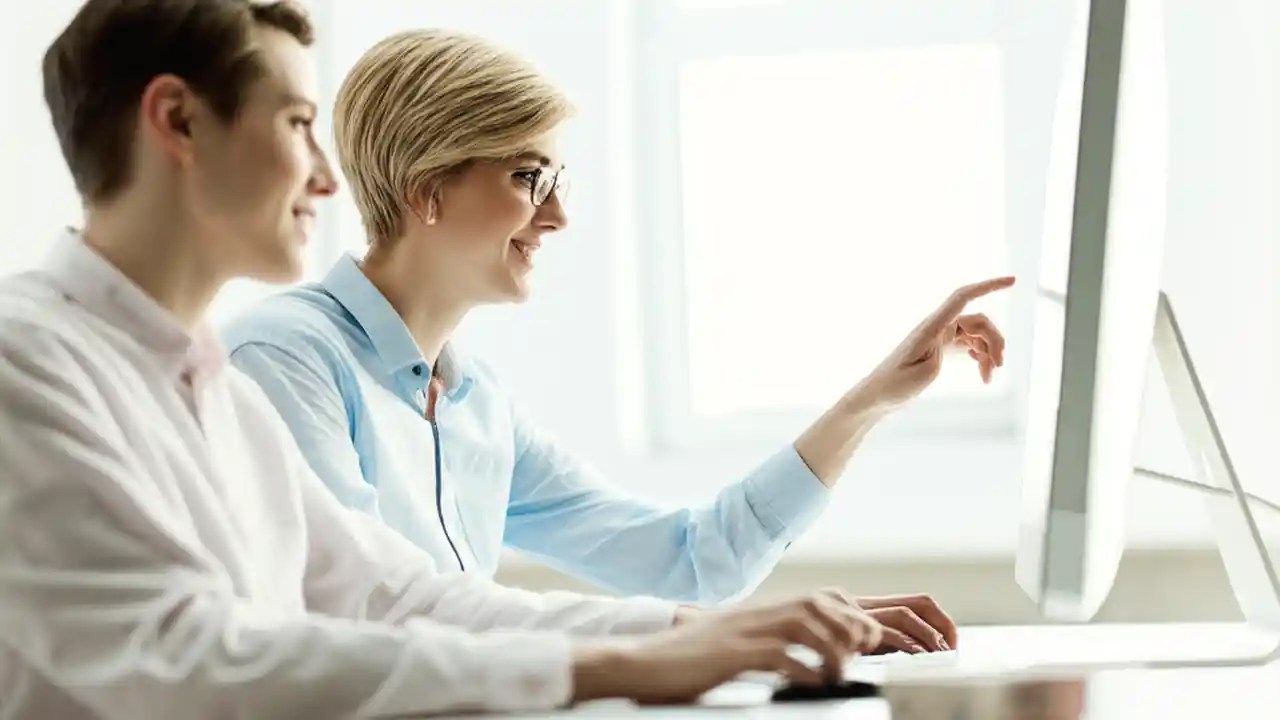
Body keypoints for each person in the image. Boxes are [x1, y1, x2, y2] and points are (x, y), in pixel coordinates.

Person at [0, 2, 904, 716]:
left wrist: (700, 637)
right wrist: (629, 663)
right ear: (179, 121)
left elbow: (396, 598)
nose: (328, 176)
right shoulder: (26, 361)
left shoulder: (217, 396)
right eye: (299, 122)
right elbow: (187, 659)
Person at [221, 28, 1012, 651]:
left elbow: (696, 560)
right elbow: (367, 608)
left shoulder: (475, 403)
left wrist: (870, 401)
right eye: (529, 179)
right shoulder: (284, 358)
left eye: (558, 183)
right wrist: (706, 636)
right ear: (427, 189)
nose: (558, 217)